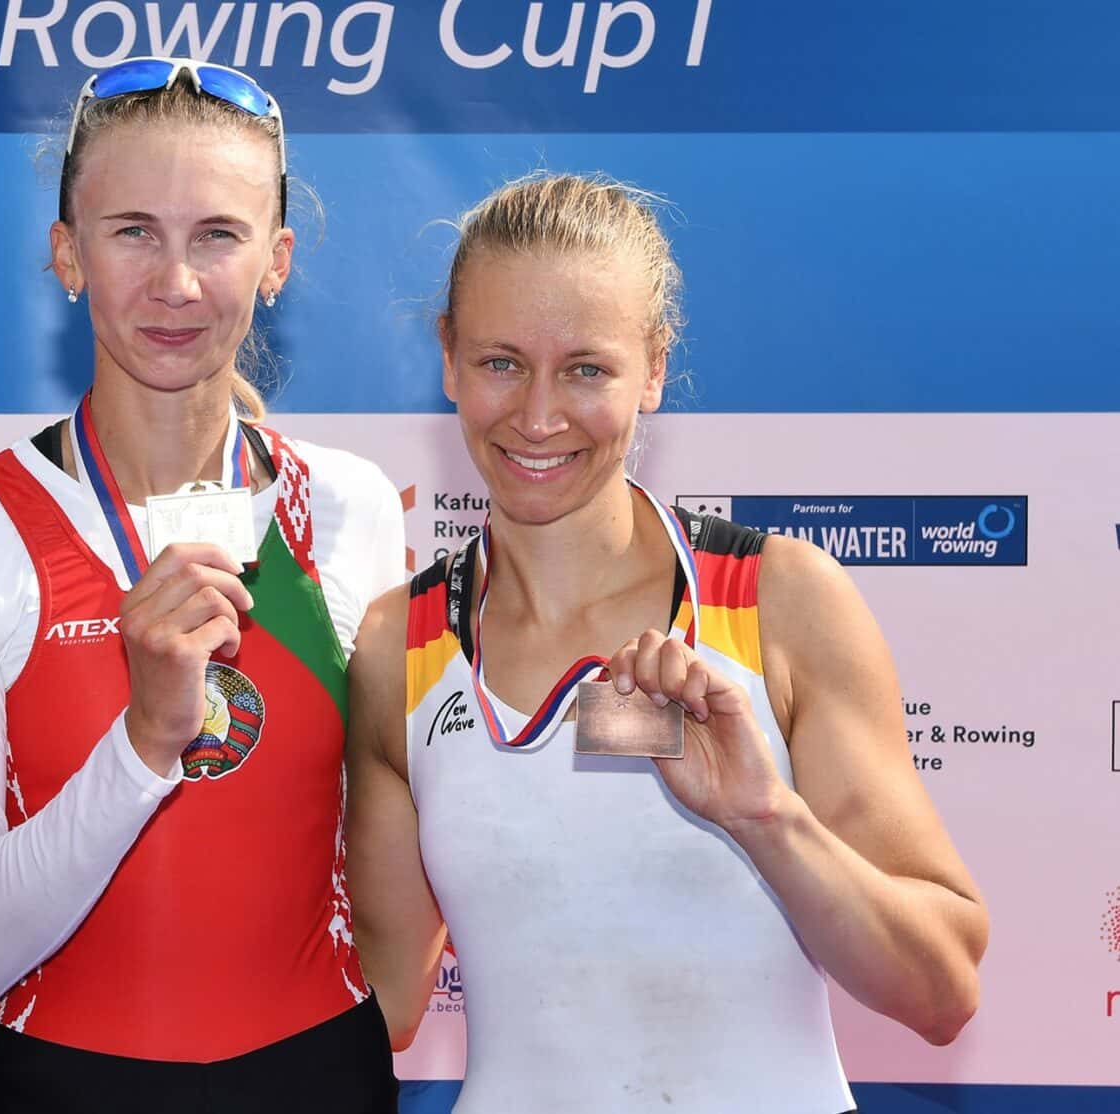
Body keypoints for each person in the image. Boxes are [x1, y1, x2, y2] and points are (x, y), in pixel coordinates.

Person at [346, 173, 989, 1112]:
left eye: (587, 369)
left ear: (653, 367)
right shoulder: (393, 645)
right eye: (500, 362)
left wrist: (766, 816)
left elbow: (940, 994)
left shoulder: (778, 599)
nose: (536, 415)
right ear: (447, 357)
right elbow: (388, 999)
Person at [0, 58, 403, 1113]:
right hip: (65, 1084)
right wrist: (146, 741)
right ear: (66, 255)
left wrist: (365, 1031)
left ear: (277, 261)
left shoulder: (353, 505)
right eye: (131, 232)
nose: (177, 282)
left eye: (218, 234)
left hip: (320, 1074)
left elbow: (400, 817)